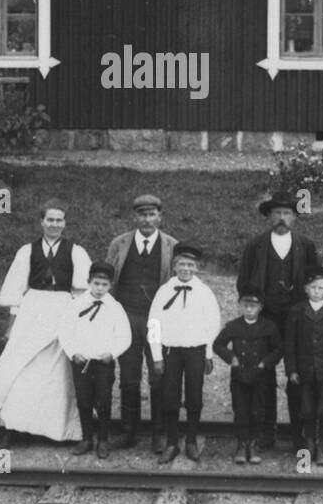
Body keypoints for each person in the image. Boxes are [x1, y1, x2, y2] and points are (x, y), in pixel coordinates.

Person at [0, 199, 91, 444]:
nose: (54, 224)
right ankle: (11, 425)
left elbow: (83, 291)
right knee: (19, 368)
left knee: (56, 372)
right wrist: (12, 327)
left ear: (64, 223)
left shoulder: (75, 251)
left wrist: (75, 321)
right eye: (50, 220)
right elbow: (15, 293)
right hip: (33, 311)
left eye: (59, 220)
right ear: (41, 222)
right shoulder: (27, 251)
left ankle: (56, 429)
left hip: (62, 310)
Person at [235, 190, 319, 449]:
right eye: (277, 213)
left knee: (297, 375)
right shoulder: (255, 246)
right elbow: (243, 283)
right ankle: (266, 431)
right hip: (266, 319)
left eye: (287, 213)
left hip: (295, 320)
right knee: (264, 376)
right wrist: (254, 312)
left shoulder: (305, 245)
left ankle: (299, 434)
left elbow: (314, 282)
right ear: (269, 217)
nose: (282, 218)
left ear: (294, 217)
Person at [105, 194, 179, 451]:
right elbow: (108, 279)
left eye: (152, 215)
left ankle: (159, 432)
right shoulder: (119, 243)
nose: (147, 220)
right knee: (128, 377)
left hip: (156, 320)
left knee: (159, 375)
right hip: (127, 317)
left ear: (160, 217)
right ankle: (129, 431)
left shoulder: (171, 245)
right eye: (142, 215)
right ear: (134, 217)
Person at [150, 243, 220, 464]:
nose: (186, 268)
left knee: (194, 395)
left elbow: (212, 324)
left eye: (190, 264)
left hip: (196, 351)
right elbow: (153, 324)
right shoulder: (164, 291)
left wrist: (208, 352)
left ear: (197, 267)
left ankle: (191, 440)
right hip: (170, 351)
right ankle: (171, 442)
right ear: (174, 266)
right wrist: (157, 356)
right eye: (181, 264)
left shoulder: (204, 292)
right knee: (169, 397)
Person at [57, 261, 132, 459]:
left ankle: (104, 440)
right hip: (81, 361)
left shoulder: (115, 307)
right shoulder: (76, 305)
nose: (100, 288)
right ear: (89, 282)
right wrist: (74, 352)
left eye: (104, 285)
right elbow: (65, 331)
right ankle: (87, 438)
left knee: (104, 401)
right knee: (84, 400)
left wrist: (112, 353)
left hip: (103, 362)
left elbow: (125, 336)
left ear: (110, 285)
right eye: (96, 283)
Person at [284, 267, 323, 466]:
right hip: (304, 372)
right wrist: (292, 369)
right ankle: (309, 444)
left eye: (321, 288)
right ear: (305, 288)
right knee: (306, 410)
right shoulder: (296, 311)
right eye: (313, 287)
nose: (317, 291)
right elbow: (290, 343)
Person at [212, 292, 282, 465]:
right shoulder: (233, 326)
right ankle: (242, 444)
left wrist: (264, 363)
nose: (249, 310)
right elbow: (218, 344)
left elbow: (279, 349)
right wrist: (232, 358)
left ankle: (254, 443)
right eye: (246, 306)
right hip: (239, 375)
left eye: (253, 306)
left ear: (260, 308)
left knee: (257, 410)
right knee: (241, 410)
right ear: (240, 306)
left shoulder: (269, 326)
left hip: (260, 376)